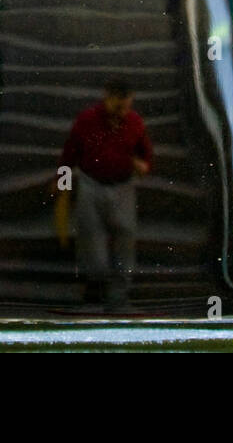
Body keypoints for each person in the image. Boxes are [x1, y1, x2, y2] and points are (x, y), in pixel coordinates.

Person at [55, 78, 153, 309]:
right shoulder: (87, 120)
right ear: (107, 97)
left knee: (125, 236)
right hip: (92, 185)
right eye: (119, 105)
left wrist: (143, 166)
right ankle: (95, 283)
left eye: (128, 106)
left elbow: (146, 155)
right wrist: (63, 182)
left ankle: (119, 294)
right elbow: (70, 153)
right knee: (91, 239)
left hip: (123, 187)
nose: (124, 111)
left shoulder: (134, 122)